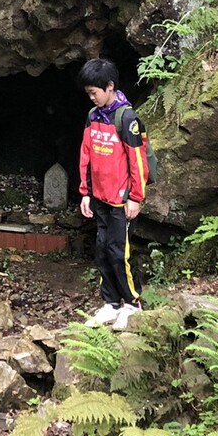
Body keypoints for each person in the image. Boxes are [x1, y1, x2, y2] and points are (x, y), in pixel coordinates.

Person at [77, 57, 148, 330]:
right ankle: (111, 303)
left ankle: (133, 303)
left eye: (94, 92)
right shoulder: (93, 116)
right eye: (88, 93)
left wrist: (135, 198)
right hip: (100, 198)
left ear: (109, 86)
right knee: (103, 250)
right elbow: (86, 154)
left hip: (122, 200)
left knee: (120, 252)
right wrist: (85, 193)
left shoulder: (127, 118)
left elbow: (138, 161)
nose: (91, 97)